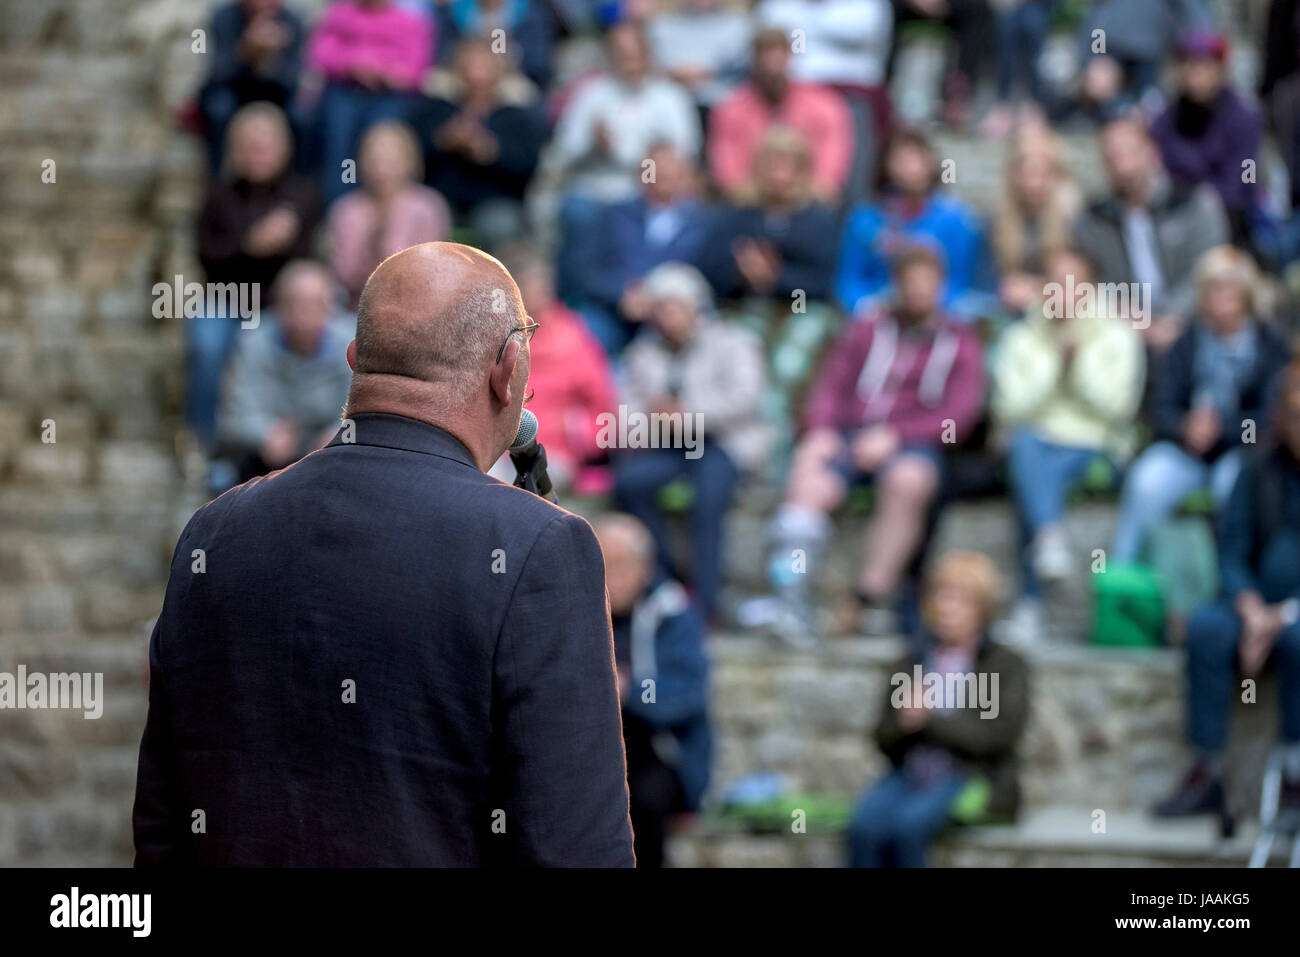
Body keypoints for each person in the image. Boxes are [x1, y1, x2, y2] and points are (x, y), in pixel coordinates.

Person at [134, 242, 635, 866]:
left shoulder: (213, 534)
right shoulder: (539, 549)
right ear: (509, 370)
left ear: (353, 360)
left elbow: (163, 830)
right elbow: (577, 846)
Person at [762, 246, 986, 636]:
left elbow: (959, 415)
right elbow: (829, 386)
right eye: (910, 282)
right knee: (809, 469)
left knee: (909, 481)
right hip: (849, 435)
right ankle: (788, 594)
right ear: (896, 285)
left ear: (941, 286)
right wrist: (821, 429)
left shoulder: (960, 340)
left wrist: (896, 436)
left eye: (926, 283)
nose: (918, 291)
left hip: (913, 443)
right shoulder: (865, 330)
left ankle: (868, 597)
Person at [1153, 360, 1300, 824]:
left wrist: (1285, 616)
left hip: (1294, 614)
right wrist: (1253, 608)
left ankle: (1294, 769)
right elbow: (1231, 548)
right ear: (1278, 414)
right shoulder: (1253, 469)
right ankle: (1208, 771)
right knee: (1206, 629)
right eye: (1293, 413)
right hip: (1249, 604)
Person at [992, 247, 1145, 639]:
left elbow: (1119, 408)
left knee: (1032, 473)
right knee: (1027, 450)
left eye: (1072, 281)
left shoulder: (1118, 333)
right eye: (1055, 280)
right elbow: (1009, 405)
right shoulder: (1021, 334)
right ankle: (1050, 538)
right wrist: (1054, 369)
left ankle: (1031, 600)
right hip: (1037, 442)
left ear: (1090, 286)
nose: (1063, 289)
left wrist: (1075, 368)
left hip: (1098, 446)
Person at [849, 550, 1029, 867]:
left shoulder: (1001, 665)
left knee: (908, 828)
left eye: (960, 600)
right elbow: (882, 738)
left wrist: (930, 719)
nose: (947, 609)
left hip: (968, 775)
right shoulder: (911, 661)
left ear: (981, 609)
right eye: (943, 597)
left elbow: (993, 739)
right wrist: (904, 722)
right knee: (863, 827)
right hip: (910, 771)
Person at [1111, 246, 1289, 563]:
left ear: (1246, 293)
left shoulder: (1269, 345)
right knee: (1146, 481)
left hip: (1241, 451)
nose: (1220, 297)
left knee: (1233, 487)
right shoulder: (1186, 343)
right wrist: (1185, 427)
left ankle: (1229, 579)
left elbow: (1272, 418)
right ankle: (1123, 574)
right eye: (1212, 288)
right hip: (1186, 450)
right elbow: (1162, 408)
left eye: (1228, 287)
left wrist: (1223, 429)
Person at [613, 263, 768, 621]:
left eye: (673, 307)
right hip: (668, 445)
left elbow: (745, 398)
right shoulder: (644, 351)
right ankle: (665, 578)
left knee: (709, 497)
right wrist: (654, 419)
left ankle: (706, 601)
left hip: (722, 443)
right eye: (660, 308)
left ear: (695, 307)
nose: (666, 316)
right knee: (630, 482)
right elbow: (624, 409)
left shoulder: (734, 341)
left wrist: (688, 414)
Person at [193, 102, 320, 452]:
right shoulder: (218, 196)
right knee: (207, 344)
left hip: (281, 305)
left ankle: (297, 442)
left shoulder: (302, 195)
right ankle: (203, 443)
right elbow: (209, 263)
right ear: (234, 150)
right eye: (249, 145)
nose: (257, 153)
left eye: (265, 145)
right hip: (230, 299)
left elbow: (308, 266)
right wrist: (250, 247)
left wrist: (281, 247)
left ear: (284, 148)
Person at [594, 513, 712, 869]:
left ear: (645, 568)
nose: (609, 580)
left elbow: (688, 694)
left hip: (659, 750)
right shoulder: (578, 607)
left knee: (640, 799)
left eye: (620, 567)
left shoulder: (673, 611)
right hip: (594, 747)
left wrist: (629, 690)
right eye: (602, 565)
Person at [1073, 115, 1229, 351]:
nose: (1124, 166)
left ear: (1153, 153)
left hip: (1195, 322)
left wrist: (1169, 317)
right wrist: (1127, 316)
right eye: (1112, 158)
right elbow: (1085, 281)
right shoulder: (1092, 221)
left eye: (1130, 153)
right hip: (1122, 331)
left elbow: (1209, 270)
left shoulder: (1193, 204)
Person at [492, 242, 617, 492]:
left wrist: (577, 438)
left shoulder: (574, 337)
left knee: (518, 489)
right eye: (522, 285)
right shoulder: (491, 336)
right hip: (494, 449)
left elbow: (604, 410)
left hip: (551, 452)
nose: (533, 292)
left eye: (537, 284)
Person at [835, 127, 992, 323]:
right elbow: (849, 280)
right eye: (901, 160)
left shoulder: (956, 220)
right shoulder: (864, 221)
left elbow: (961, 282)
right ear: (886, 165)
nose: (910, 168)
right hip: (878, 317)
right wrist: (866, 305)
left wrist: (925, 302)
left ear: (931, 165)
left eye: (916, 159)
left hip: (938, 317)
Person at [217, 260, 354, 484]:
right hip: (268, 460)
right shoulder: (253, 343)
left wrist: (339, 434)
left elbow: (365, 412)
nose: (304, 315)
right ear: (279, 306)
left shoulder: (351, 342)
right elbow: (233, 417)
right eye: (295, 304)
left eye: (315, 304)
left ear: (330, 307)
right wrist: (264, 434)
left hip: (334, 454)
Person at [574, 144, 712, 354]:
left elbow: (707, 276)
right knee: (585, 335)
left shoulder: (702, 224)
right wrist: (620, 294)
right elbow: (587, 271)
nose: (663, 180)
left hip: (679, 315)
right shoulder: (614, 215)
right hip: (615, 313)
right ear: (642, 175)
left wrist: (662, 301)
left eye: (671, 173)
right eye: (656, 172)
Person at [413, 37, 544, 251]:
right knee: (419, 214)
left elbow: (529, 166)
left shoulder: (513, 117)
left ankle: (500, 284)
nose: (476, 75)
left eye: (484, 65)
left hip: (494, 199)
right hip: (443, 198)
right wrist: (443, 141)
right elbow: (410, 157)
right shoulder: (437, 110)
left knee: (499, 225)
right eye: (469, 65)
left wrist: (492, 152)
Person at [306, 0, 434, 206]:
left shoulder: (408, 22)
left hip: (388, 95)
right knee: (340, 148)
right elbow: (321, 54)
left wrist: (388, 72)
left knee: (385, 146)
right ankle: (339, 209)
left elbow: (416, 69)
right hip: (345, 90)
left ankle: (387, 208)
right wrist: (351, 64)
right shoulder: (340, 14)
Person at [707, 26, 854, 205]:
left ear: (790, 58)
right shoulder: (729, 110)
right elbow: (729, 180)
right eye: (765, 59)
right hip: (750, 208)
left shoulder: (826, 106)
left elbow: (828, 181)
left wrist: (788, 195)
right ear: (753, 61)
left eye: (777, 57)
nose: (772, 67)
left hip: (808, 207)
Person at [1150, 30, 1263, 244]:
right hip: (1174, 218)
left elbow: (1244, 182)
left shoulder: (1245, 118)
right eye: (1188, 64)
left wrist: (1198, 203)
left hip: (1230, 219)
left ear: (1221, 70)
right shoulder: (1166, 118)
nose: (1194, 74)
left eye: (1203, 65)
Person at [327, 121, 451, 307]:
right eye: (374, 160)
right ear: (361, 163)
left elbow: (434, 271)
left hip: (418, 306)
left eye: (391, 161)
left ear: (410, 162)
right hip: (357, 310)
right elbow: (343, 276)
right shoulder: (346, 209)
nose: (382, 169)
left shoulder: (428, 207)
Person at [197, 0, 305, 172]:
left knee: (302, 117)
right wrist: (246, 52)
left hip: (276, 93)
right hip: (234, 90)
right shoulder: (223, 18)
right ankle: (217, 178)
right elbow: (215, 75)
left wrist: (271, 61)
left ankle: (296, 183)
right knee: (218, 109)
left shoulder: (293, 21)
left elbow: (292, 81)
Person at [990, 125, 1082, 321]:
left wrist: (1036, 291)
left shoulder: (1075, 222)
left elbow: (1081, 285)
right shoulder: (995, 222)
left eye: (1042, 173)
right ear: (1013, 175)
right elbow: (988, 283)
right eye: (1027, 173)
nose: (1034, 183)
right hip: (1010, 314)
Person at [433, 0, 558, 89]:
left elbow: (538, 65)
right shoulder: (454, 11)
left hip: (509, 78)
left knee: (520, 93)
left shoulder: (531, 14)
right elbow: (443, 53)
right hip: (461, 76)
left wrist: (506, 56)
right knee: (437, 85)